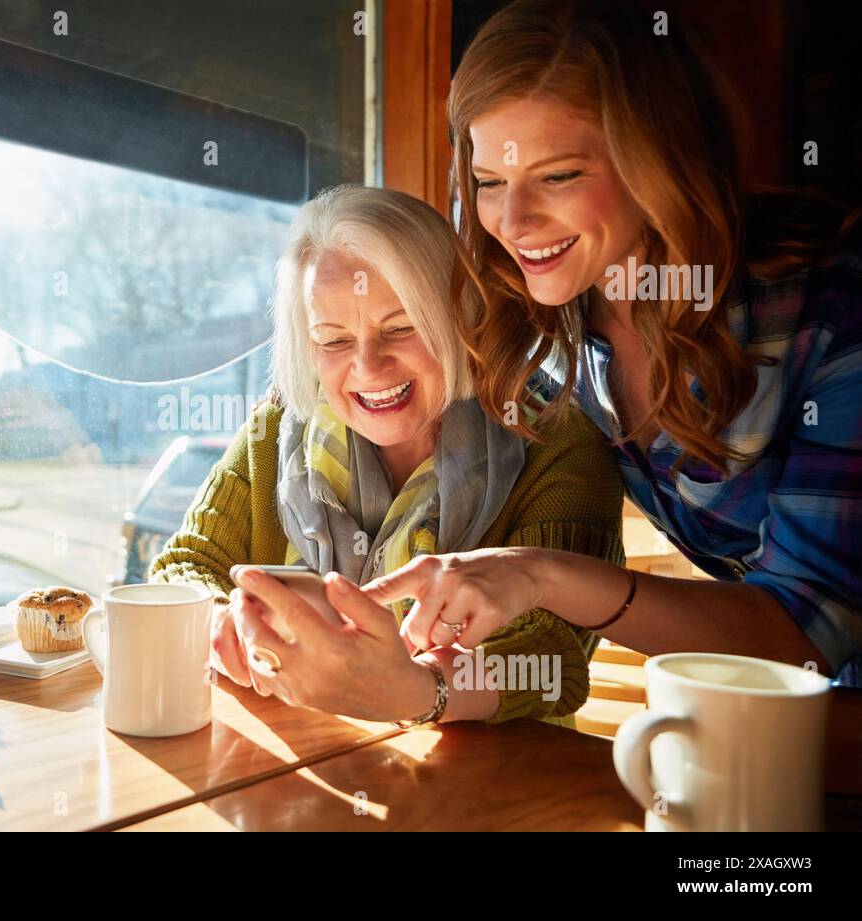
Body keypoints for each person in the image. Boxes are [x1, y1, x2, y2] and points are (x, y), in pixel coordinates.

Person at [360, 0, 862, 686]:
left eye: (559, 175)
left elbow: (805, 634)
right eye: (488, 182)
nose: (513, 220)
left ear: (658, 158)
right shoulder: (558, 330)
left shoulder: (832, 311)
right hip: (778, 713)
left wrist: (540, 574)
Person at [149, 184, 625, 726]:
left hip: (492, 783)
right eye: (332, 340)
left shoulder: (558, 443)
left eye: (401, 328)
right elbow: (183, 565)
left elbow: (554, 657)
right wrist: (217, 621)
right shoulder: (275, 428)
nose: (369, 367)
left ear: (460, 317)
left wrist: (423, 691)